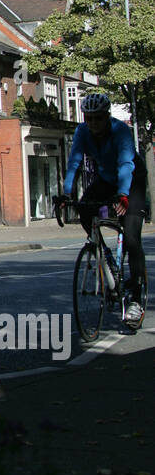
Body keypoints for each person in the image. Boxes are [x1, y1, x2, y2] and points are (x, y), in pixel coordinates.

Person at [60, 92, 147, 324]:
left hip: (132, 180)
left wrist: (123, 194)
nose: (93, 124)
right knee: (84, 208)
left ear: (107, 117)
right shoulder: (82, 132)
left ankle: (136, 301)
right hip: (107, 179)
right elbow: (75, 163)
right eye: (88, 118)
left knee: (131, 238)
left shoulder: (120, 131)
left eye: (98, 118)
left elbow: (126, 163)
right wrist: (67, 193)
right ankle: (104, 253)